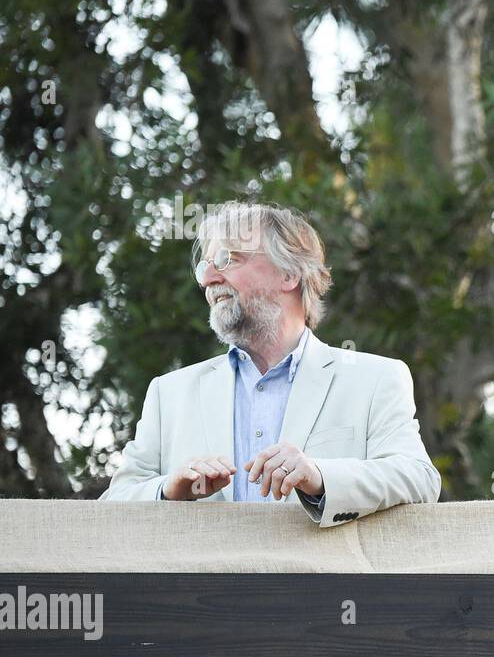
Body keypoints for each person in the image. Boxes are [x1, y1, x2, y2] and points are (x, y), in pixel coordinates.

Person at [100, 201, 440, 528]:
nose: (208, 279)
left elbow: (419, 478)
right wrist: (168, 491)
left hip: (323, 587)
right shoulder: (168, 392)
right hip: (201, 588)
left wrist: (320, 476)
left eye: (226, 258)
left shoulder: (375, 379)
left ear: (289, 273)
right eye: (205, 265)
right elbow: (113, 504)